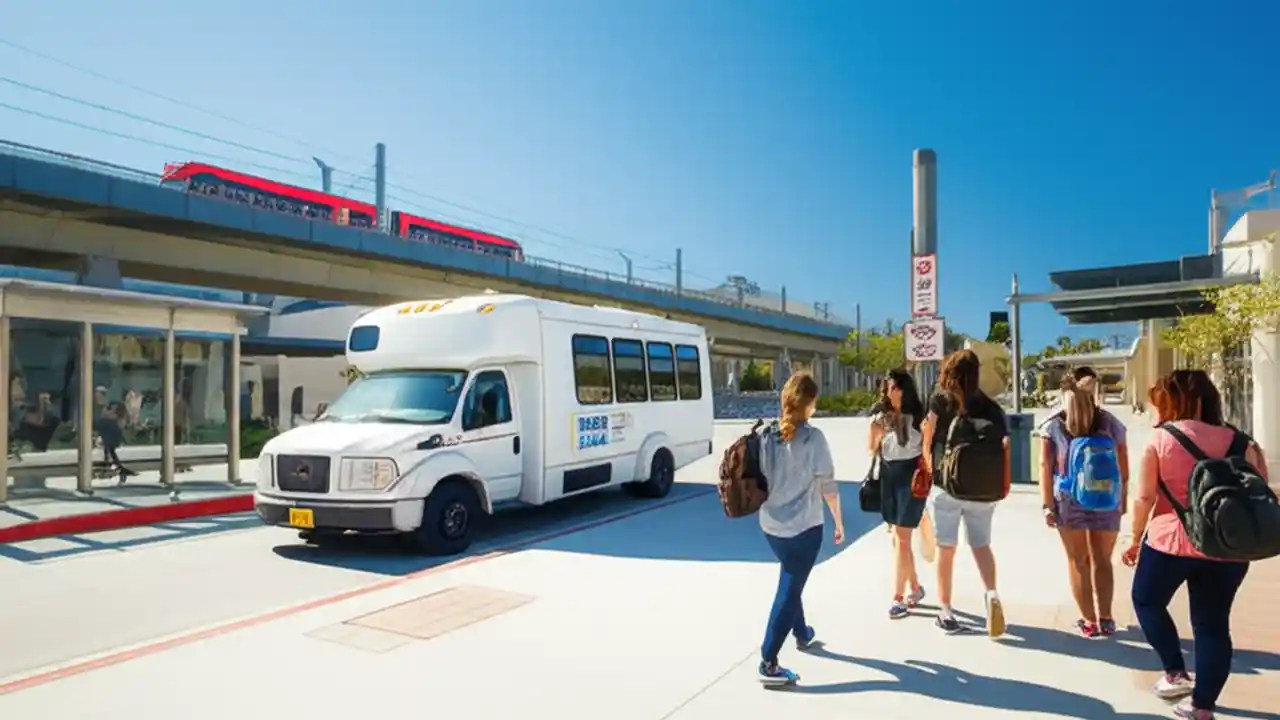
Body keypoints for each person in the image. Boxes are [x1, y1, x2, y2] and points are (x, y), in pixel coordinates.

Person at [1122, 370, 1266, 720]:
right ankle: (1202, 708)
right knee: (1213, 624)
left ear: (1173, 402)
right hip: (1227, 546)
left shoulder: (1160, 440)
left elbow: (1144, 496)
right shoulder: (1242, 441)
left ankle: (1174, 672)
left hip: (1170, 541)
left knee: (1146, 600)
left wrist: (1134, 538)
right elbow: (1260, 491)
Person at [756, 371, 844, 686]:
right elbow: (829, 485)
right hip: (804, 528)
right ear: (808, 404)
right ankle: (768, 661)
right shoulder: (813, 437)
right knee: (790, 587)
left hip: (770, 527)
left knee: (791, 576)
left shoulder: (766, 434)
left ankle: (802, 632)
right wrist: (838, 520)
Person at [921, 349, 1009, 636]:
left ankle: (945, 612)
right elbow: (1005, 446)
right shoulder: (991, 408)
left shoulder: (940, 400)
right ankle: (992, 595)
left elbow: (928, 437)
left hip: (947, 487)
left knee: (946, 548)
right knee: (981, 546)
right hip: (983, 490)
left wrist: (928, 465)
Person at [1040, 376, 1129, 637]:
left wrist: (1047, 505)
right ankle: (1107, 618)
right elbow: (1123, 464)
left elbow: (1046, 467)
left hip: (1068, 500)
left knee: (1078, 560)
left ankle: (1089, 622)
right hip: (1107, 499)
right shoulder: (1111, 423)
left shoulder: (1054, 425)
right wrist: (1121, 498)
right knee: (1103, 560)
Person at [867, 369, 928, 619]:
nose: (888, 391)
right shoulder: (881, 417)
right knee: (898, 538)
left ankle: (898, 597)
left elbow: (927, 450)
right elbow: (871, 449)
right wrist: (877, 435)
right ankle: (915, 586)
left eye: (893, 387)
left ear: (903, 389)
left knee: (902, 538)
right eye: (887, 387)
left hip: (911, 477)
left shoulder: (918, 417)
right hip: (889, 475)